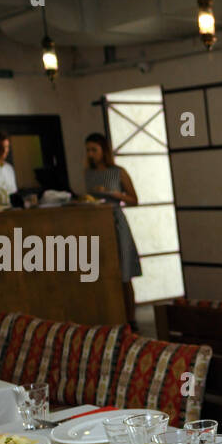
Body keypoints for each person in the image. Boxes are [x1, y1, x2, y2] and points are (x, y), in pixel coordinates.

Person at [84, 132, 142, 329]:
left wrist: (115, 194)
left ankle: (131, 319)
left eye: (94, 150)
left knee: (124, 271)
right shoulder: (88, 173)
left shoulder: (118, 172)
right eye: (88, 150)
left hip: (116, 221)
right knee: (105, 272)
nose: (91, 154)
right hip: (96, 223)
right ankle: (113, 317)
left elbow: (135, 200)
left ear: (103, 151)